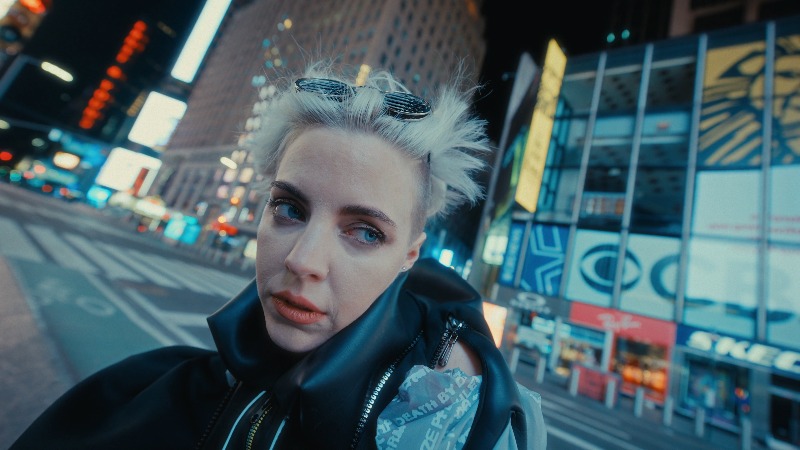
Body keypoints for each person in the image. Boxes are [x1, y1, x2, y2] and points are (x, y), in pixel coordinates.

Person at [11, 60, 547, 449]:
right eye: (289, 209)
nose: (303, 260)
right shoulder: (143, 392)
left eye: (364, 232)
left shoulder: (462, 425)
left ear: (409, 255)